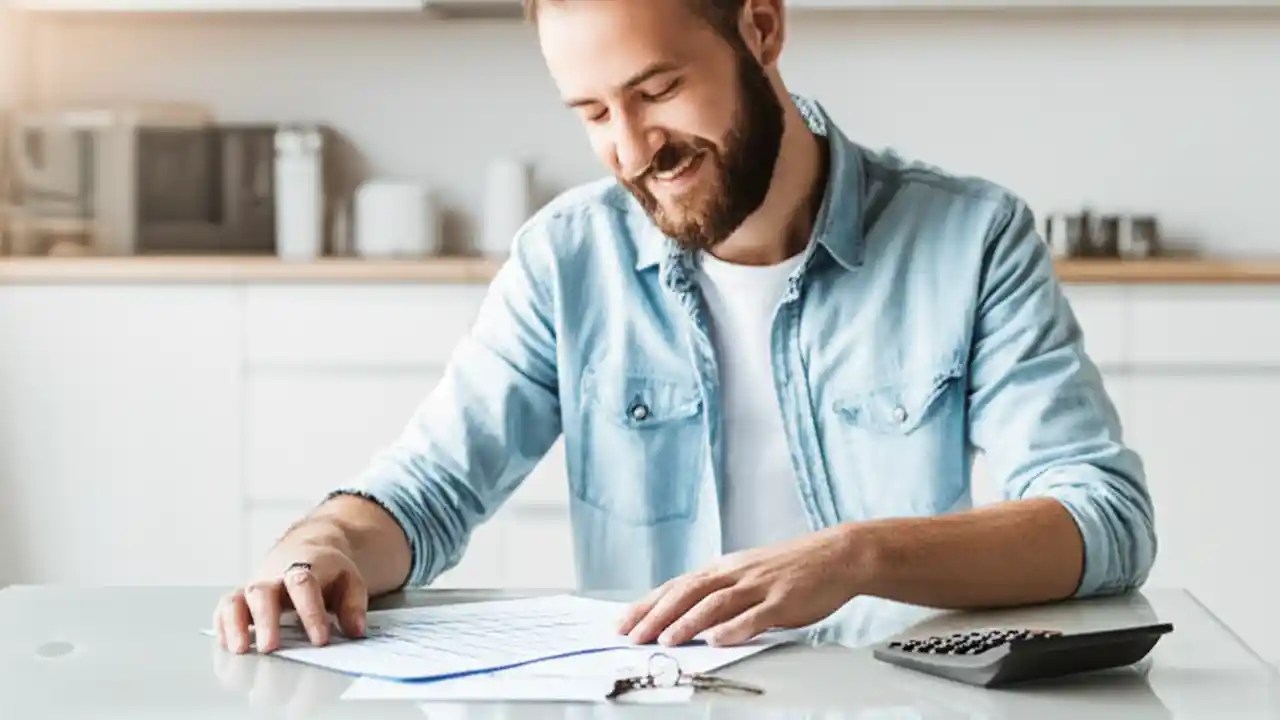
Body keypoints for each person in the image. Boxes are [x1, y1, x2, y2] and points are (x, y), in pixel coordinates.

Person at [213, 0, 1155, 655]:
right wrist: (320, 550)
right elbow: (425, 492)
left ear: (762, 27)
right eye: (593, 112)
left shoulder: (971, 239)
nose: (631, 149)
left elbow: (1102, 518)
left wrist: (856, 557)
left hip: (891, 697)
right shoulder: (567, 258)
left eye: (658, 90)